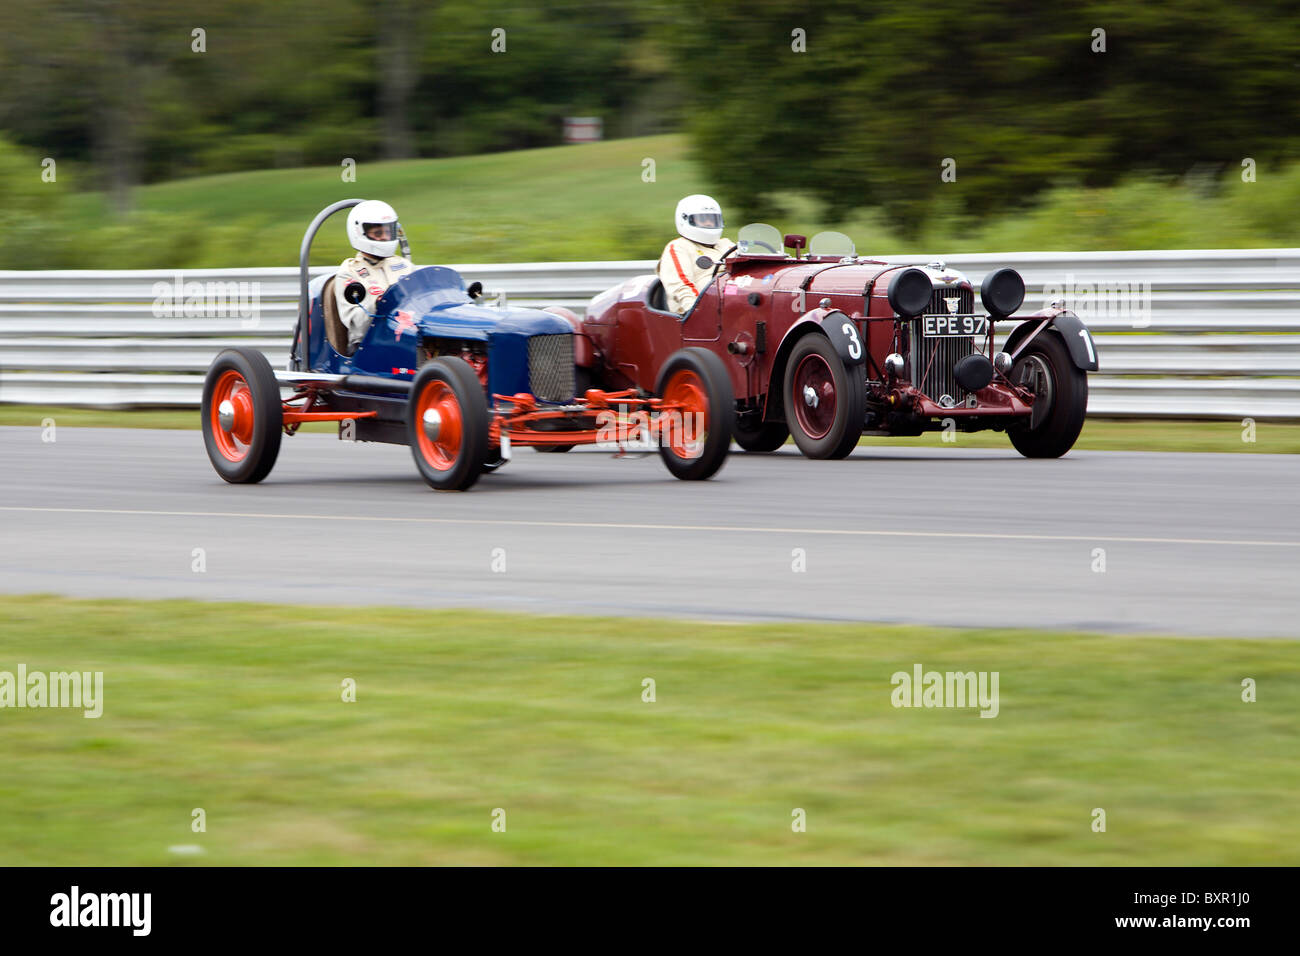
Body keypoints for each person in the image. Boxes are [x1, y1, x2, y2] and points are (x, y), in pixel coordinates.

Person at [335, 199, 413, 350]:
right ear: (359, 232)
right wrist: (378, 303)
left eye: (388, 232)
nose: (384, 237)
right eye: (378, 233)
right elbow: (356, 325)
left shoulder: (404, 265)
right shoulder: (349, 272)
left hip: (407, 338)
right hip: (370, 345)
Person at [657, 194, 733, 314]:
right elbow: (680, 285)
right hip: (703, 313)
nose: (709, 223)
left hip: (734, 302)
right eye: (702, 219)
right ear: (685, 220)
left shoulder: (726, 244)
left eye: (713, 220)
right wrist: (697, 311)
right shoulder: (679, 247)